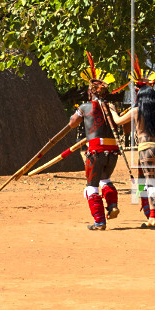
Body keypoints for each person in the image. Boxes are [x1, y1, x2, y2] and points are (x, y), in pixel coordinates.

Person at [109, 85, 155, 231]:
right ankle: (152, 217)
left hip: (147, 149)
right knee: (154, 182)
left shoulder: (136, 110)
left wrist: (113, 110)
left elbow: (118, 121)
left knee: (151, 184)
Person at [67, 53, 122, 231]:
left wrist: (76, 115)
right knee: (105, 179)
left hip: (96, 151)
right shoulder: (112, 107)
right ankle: (112, 205)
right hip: (112, 150)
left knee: (91, 186)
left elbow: (72, 123)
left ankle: (99, 222)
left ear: (90, 92)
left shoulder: (85, 107)